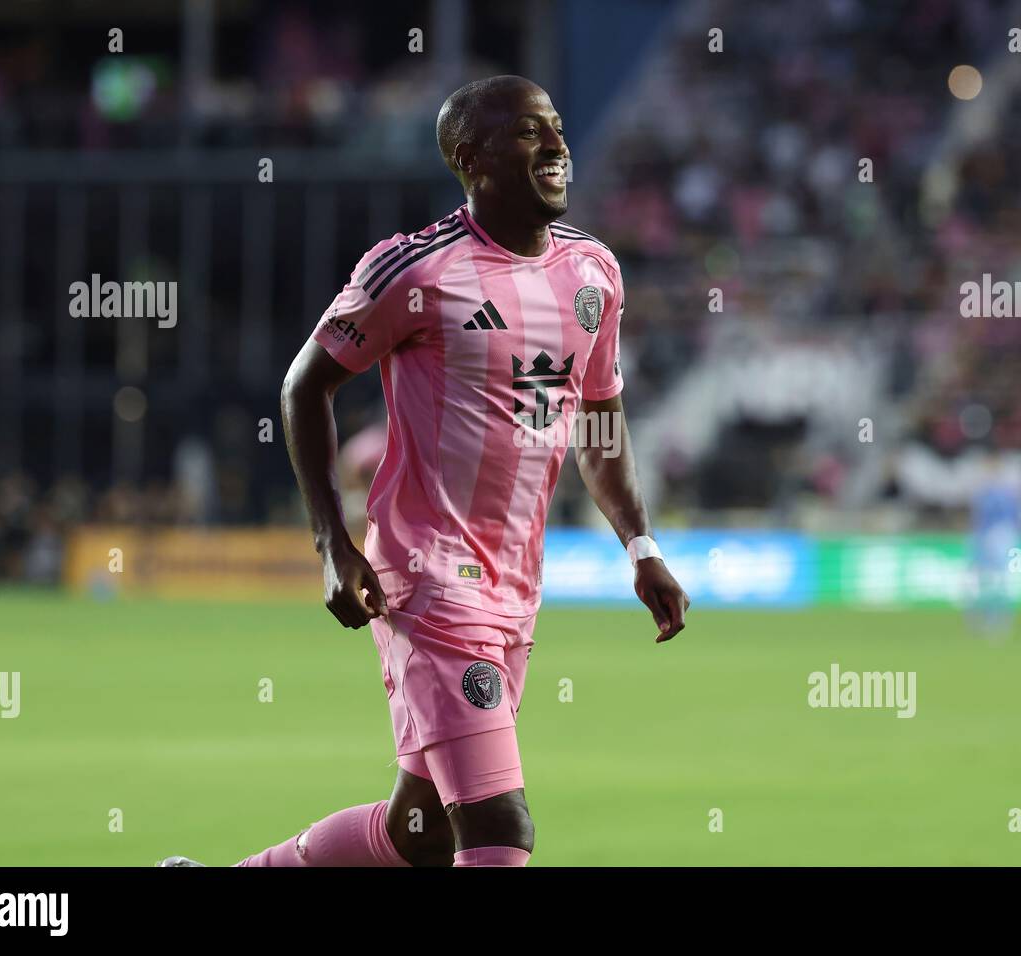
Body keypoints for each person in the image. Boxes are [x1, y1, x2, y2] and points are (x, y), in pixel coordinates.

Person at [159, 75, 689, 869]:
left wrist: (640, 545)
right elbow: (307, 385)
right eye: (527, 134)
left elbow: (601, 416)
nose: (555, 146)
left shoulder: (594, 273)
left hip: (516, 585)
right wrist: (332, 544)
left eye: (556, 128)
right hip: (429, 576)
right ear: (472, 160)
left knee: (422, 828)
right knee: (499, 827)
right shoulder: (413, 271)